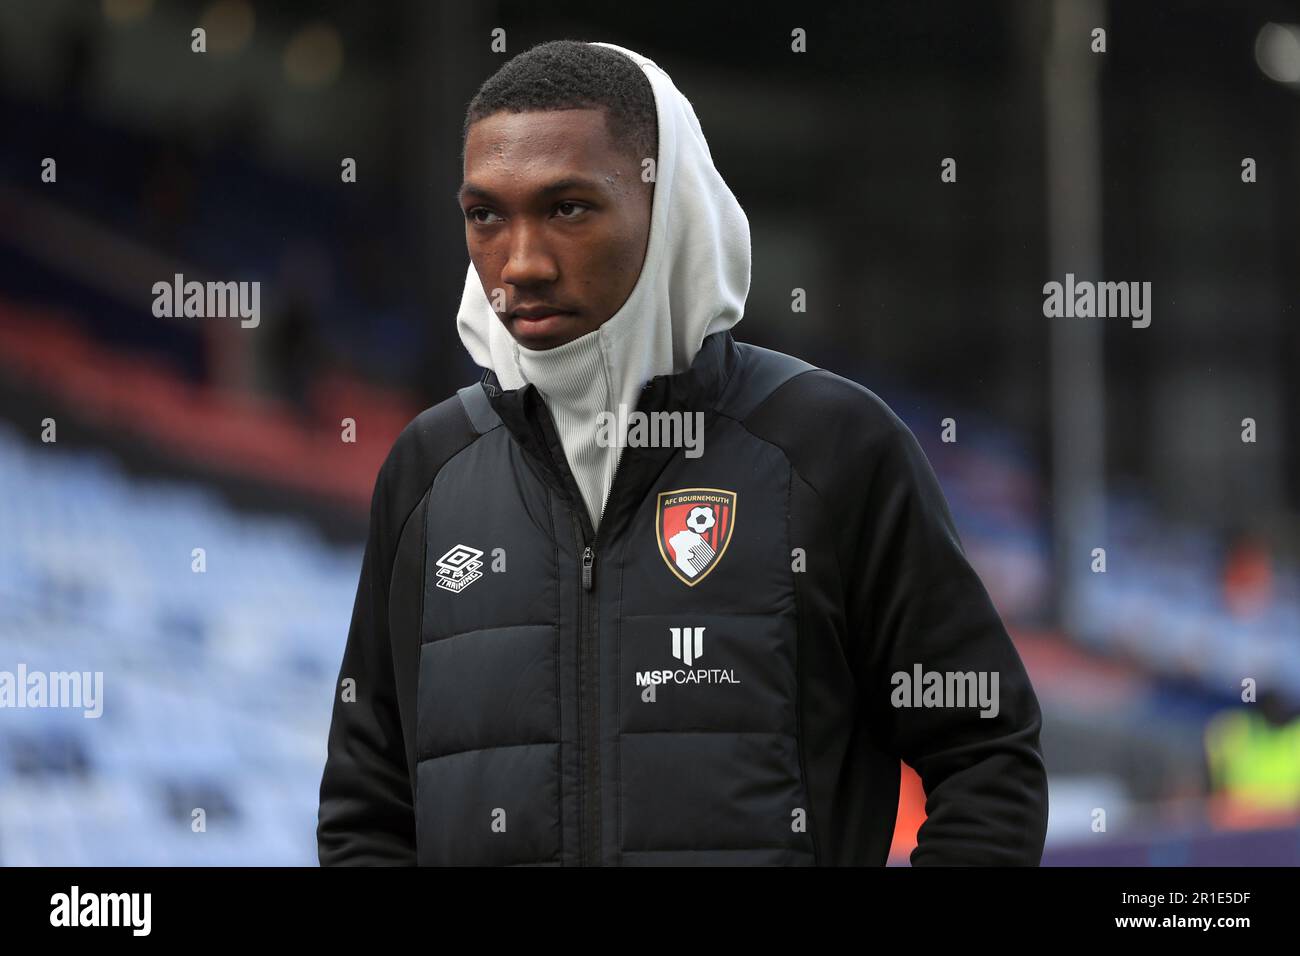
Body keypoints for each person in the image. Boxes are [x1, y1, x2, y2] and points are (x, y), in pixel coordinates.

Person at [317, 38, 1048, 866]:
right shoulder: (430, 468)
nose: (519, 263)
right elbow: (366, 805)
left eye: (568, 208)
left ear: (669, 213)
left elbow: (987, 755)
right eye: (486, 214)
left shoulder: (831, 445)